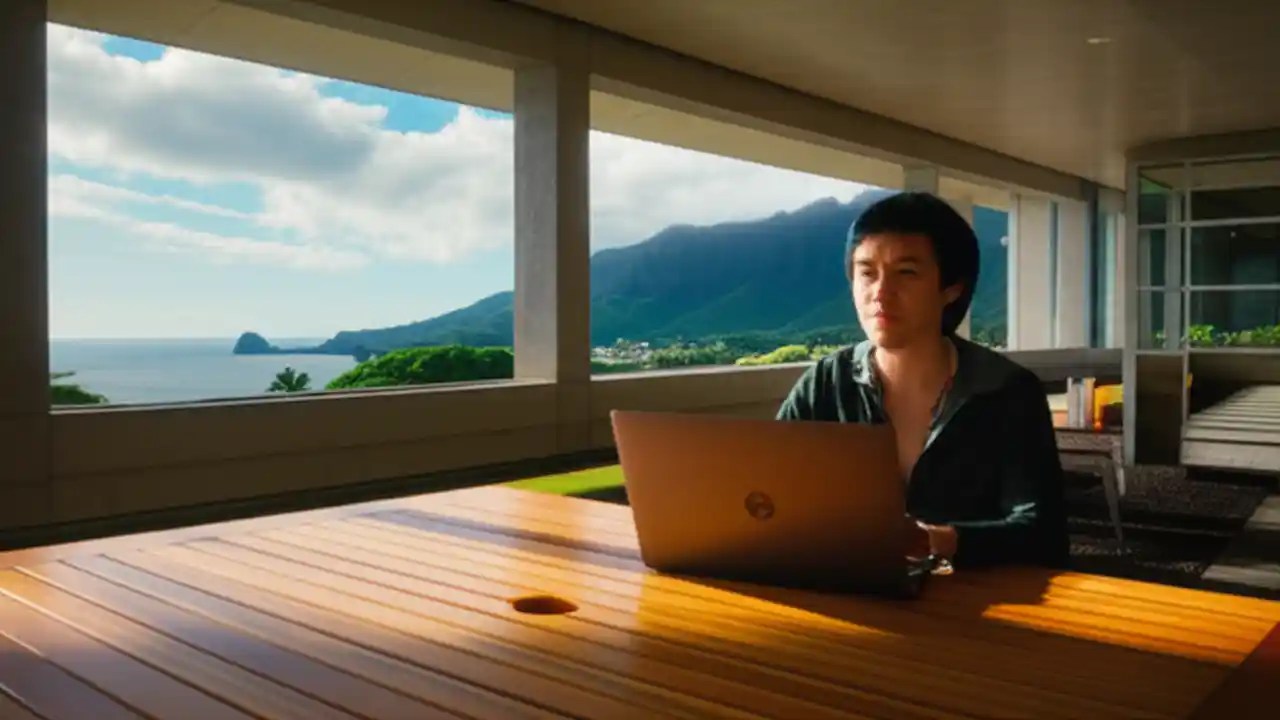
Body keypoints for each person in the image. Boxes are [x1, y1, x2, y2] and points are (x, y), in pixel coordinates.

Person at [777, 191, 1068, 568]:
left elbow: (1044, 533)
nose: (880, 293)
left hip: (973, 605)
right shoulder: (824, 384)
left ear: (952, 287)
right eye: (867, 273)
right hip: (846, 592)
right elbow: (770, 495)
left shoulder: (1006, 391)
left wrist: (939, 540)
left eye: (906, 273)